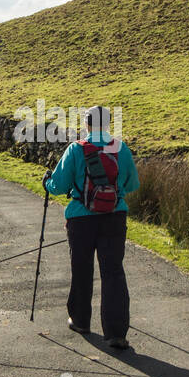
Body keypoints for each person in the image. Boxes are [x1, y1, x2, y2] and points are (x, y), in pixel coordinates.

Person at [42, 105, 139, 349]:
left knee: (82, 268)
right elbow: (132, 183)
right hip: (114, 217)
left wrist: (47, 182)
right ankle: (116, 332)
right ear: (108, 125)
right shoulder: (120, 148)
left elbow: (59, 186)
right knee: (113, 272)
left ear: (87, 125)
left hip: (80, 218)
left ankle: (80, 320)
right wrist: (112, 194)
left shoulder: (76, 149)